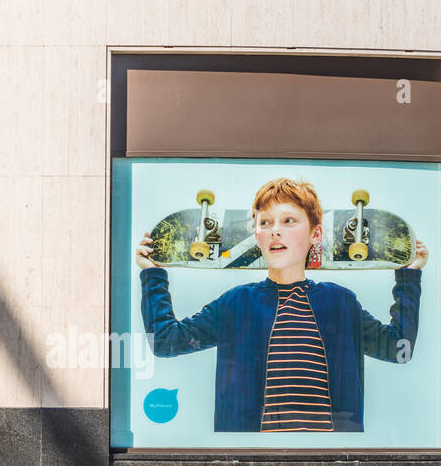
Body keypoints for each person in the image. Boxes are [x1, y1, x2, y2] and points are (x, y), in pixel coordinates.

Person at [137, 177, 426, 433]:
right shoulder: (235, 304)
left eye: (289, 221)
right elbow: (166, 342)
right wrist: (152, 275)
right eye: (265, 223)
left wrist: (409, 277)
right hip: (254, 457)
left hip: (328, 457)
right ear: (257, 236)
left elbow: (398, 348)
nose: (275, 230)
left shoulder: (341, 303)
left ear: (315, 234)